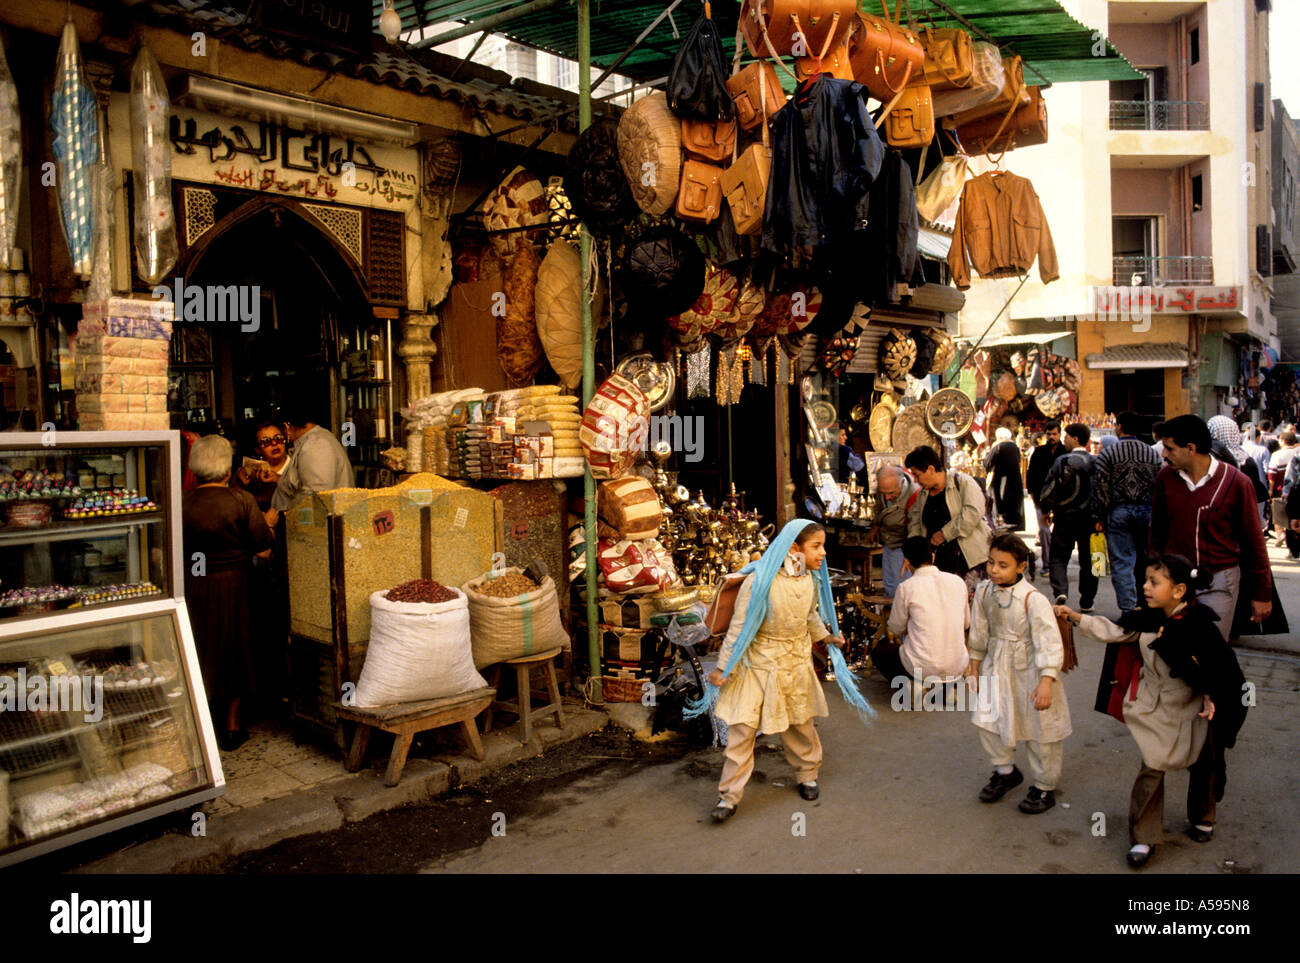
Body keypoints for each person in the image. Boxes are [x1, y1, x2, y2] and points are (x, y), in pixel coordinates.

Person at [1055, 555, 1248, 869]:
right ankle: (1144, 836)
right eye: (1145, 580)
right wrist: (1075, 617)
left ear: (1179, 590)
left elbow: (1222, 670)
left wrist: (1213, 695)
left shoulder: (1200, 625)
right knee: (1152, 766)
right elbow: (1116, 631)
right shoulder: (1147, 618)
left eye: (1154, 582)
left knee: (1202, 760)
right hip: (1155, 708)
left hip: (1192, 707)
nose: (1144, 586)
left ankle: (1203, 816)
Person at [705, 521, 846, 822]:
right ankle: (729, 797)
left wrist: (825, 637)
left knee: (800, 722)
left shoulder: (809, 579)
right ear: (795, 548)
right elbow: (739, 627)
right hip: (759, 663)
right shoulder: (760, 580)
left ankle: (807, 775)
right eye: (816, 546)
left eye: (823, 546)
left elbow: (809, 616)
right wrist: (723, 667)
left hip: (795, 662)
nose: (823, 553)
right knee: (743, 729)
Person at [966, 533, 1071, 814]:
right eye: (991, 563)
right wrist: (974, 666)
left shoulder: (1032, 599)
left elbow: (1049, 642)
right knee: (987, 720)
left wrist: (1047, 681)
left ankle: (1044, 787)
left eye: (1003, 565)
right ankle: (1005, 771)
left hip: (1031, 670)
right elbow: (978, 630)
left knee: (1039, 730)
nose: (994, 570)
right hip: (995, 665)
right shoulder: (985, 592)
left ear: (1020, 566)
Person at [183, 435, 275, 751]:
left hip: (193, 585)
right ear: (227, 468)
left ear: (195, 469)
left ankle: (201, 720)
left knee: (201, 650)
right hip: (234, 583)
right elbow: (263, 547)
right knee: (235, 649)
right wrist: (270, 523)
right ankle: (233, 725)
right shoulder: (241, 500)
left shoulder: (182, 502)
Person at [1149, 414, 1272, 630]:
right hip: (1173, 581)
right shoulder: (1165, 478)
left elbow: (1253, 541)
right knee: (1172, 651)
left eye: (1170, 448)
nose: (1164, 454)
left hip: (1219, 581)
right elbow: (1157, 533)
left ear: (1190, 448)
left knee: (1209, 653)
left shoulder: (1236, 482)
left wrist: (1262, 593)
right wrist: (1151, 579)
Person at [1090, 411, 1162, 615]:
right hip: (1147, 510)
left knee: (1122, 562)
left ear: (1119, 427)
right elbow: (1159, 483)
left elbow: (1101, 487)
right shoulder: (1151, 452)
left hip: (1119, 511)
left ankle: (1129, 609)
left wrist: (1099, 517)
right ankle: (1146, 604)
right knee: (1146, 560)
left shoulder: (1109, 453)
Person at [877, 536, 969, 693]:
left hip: (921, 667)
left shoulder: (907, 587)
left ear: (906, 561)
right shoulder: (958, 582)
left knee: (881, 651)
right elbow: (966, 624)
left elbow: (895, 627)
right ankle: (945, 690)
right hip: (957, 666)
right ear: (932, 556)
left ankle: (913, 687)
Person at [904, 444, 992, 593]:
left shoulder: (963, 482)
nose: (916, 481)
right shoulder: (923, 495)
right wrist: (912, 553)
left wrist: (945, 534)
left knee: (969, 606)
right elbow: (916, 524)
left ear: (931, 469)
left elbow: (973, 512)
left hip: (967, 560)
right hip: (939, 563)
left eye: (917, 475)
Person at [1039, 422, 1098, 613]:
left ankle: (1061, 591)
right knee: (1093, 559)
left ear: (1075, 438)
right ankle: (1088, 600)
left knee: (1058, 556)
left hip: (1065, 517)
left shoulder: (1062, 461)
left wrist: (1046, 509)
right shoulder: (1096, 462)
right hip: (1091, 518)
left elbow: (1050, 487)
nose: (1064, 440)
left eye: (1066, 436)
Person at [269, 402, 355, 527]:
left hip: (315, 533)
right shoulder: (311, 442)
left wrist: (288, 518)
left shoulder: (316, 444)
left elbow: (315, 497)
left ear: (287, 427)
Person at [871, 464, 920, 597]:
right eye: (884, 493)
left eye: (891, 493)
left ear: (902, 483)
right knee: (890, 585)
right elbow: (879, 505)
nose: (887, 497)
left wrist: (909, 556)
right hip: (889, 542)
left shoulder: (915, 496)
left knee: (902, 591)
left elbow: (915, 529)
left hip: (905, 544)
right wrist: (876, 525)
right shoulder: (885, 488)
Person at [1025, 420, 1066, 574]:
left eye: (1054, 434)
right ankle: (1047, 564)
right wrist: (1032, 493)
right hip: (1041, 498)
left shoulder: (1065, 452)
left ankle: (1057, 564)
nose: (1051, 437)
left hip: (1060, 499)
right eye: (1049, 434)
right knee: (1044, 531)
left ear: (1059, 434)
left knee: (1058, 532)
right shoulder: (1039, 452)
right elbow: (1031, 474)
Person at [231, 420, 292, 511]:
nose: (274, 443)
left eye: (278, 438)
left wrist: (278, 479)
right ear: (258, 450)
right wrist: (240, 485)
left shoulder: (297, 464)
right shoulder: (251, 470)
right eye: (266, 441)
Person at [983, 426, 1024, 530]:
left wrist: (987, 453)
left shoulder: (998, 447)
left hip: (1000, 479)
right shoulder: (1015, 447)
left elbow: (987, 463)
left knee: (998, 500)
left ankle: (1000, 520)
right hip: (1014, 480)